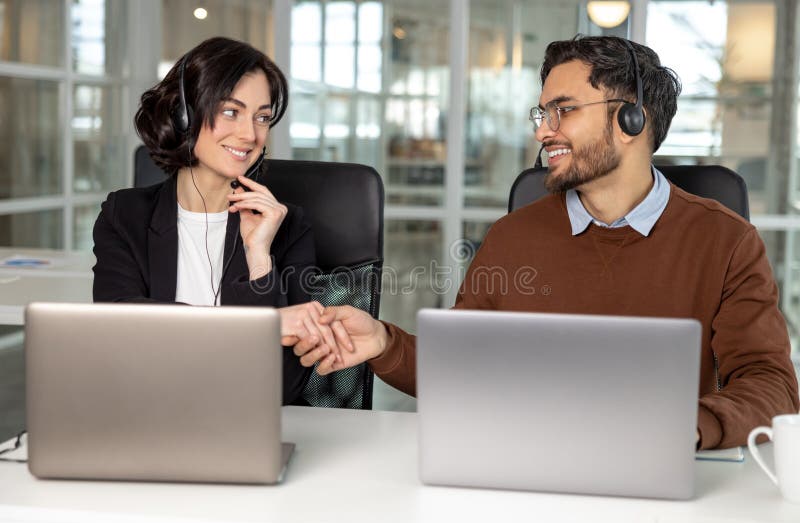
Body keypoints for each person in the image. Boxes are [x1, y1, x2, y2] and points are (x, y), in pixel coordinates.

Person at [290, 36, 800, 449]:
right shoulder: (513, 236)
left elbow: (771, 384)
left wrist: (689, 427)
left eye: (564, 110)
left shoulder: (726, 241)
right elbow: (462, 364)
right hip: (525, 463)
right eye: (542, 115)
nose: (543, 133)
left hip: (660, 467)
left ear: (632, 120)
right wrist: (384, 342)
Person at [93, 37, 343, 405]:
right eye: (231, 111)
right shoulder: (125, 215)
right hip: (150, 411)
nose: (250, 134)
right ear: (184, 115)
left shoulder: (286, 226)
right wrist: (264, 326)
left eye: (262, 117)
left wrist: (259, 258)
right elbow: (120, 330)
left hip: (246, 420)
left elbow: (282, 387)